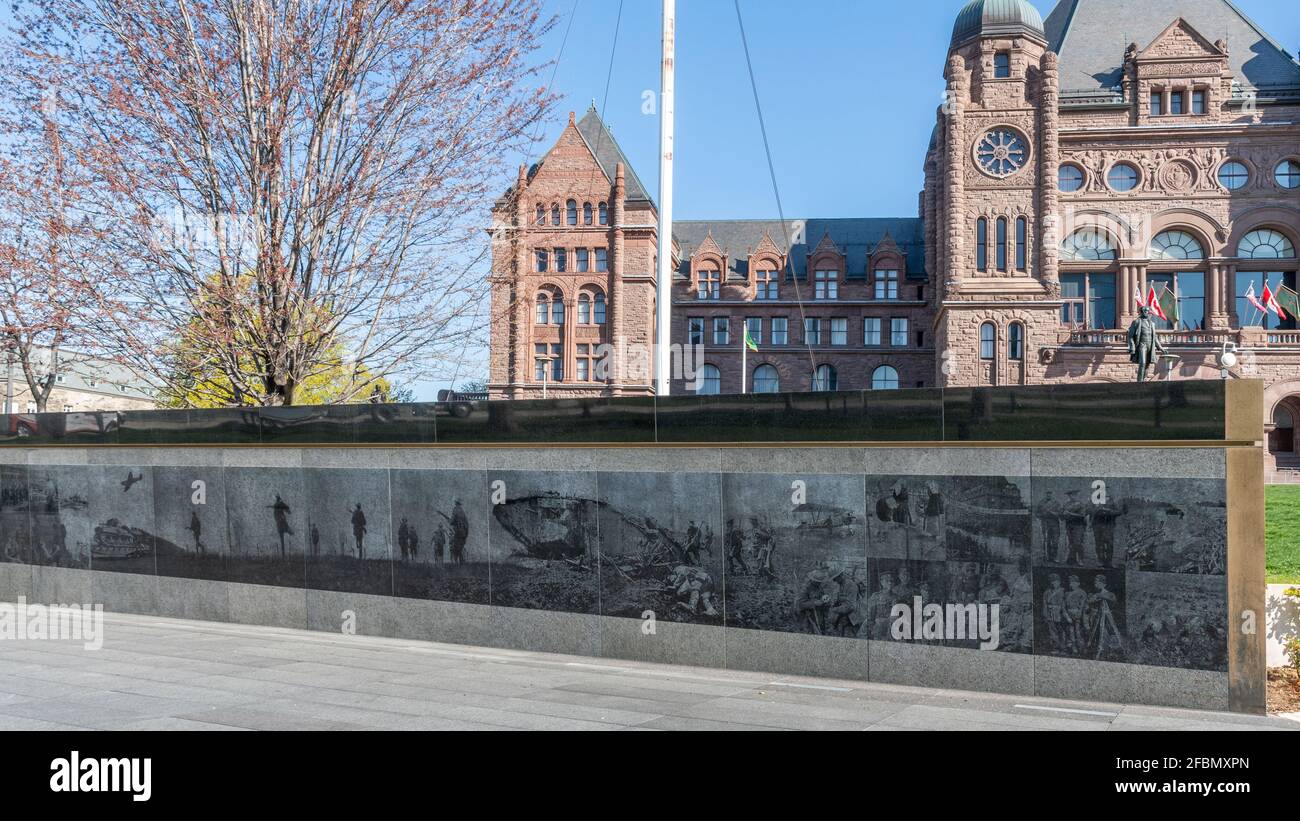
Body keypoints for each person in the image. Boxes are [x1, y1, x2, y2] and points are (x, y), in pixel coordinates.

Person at [1127, 305, 1168, 383]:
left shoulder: (1152, 324)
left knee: (1147, 365)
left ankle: (1144, 380)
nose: (1146, 312)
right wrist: (1132, 346)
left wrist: (1161, 348)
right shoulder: (1137, 322)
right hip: (1142, 344)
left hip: (1150, 346)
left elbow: (1155, 337)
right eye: (1144, 311)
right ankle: (1139, 382)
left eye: (1147, 311)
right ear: (1141, 312)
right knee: (1142, 363)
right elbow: (1130, 336)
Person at [795, 566, 835, 634]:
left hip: (819, 616)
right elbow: (800, 604)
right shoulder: (805, 589)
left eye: (820, 582)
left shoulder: (819, 588)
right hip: (808, 618)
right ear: (812, 580)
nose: (819, 583)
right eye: (817, 582)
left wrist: (826, 601)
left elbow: (822, 599)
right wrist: (814, 603)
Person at [826, 565, 864, 637]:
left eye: (835, 578)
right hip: (844, 616)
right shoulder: (841, 585)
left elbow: (850, 606)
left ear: (840, 576)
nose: (834, 581)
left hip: (853, 619)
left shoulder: (851, 585)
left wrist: (834, 609)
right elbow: (840, 599)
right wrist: (832, 602)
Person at [862, 571, 897, 640]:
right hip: (878, 630)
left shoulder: (896, 597)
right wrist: (872, 628)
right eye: (887, 581)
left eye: (891, 581)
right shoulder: (875, 596)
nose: (890, 583)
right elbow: (869, 614)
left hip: (891, 630)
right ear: (882, 582)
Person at [1091, 500, 1123, 568]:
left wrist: (1107, 511)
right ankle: (1100, 561)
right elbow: (1088, 510)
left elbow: (1119, 512)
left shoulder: (1112, 501)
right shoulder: (1093, 501)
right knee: (1099, 543)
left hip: (1108, 524)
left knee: (1109, 543)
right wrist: (1097, 510)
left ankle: (1109, 562)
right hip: (1097, 525)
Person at [1061, 491, 1090, 566]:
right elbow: (1062, 514)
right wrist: (1062, 515)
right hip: (1069, 525)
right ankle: (1071, 559)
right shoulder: (1066, 504)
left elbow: (1082, 515)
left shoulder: (1081, 504)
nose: (1072, 497)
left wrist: (1069, 513)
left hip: (1078, 525)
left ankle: (1080, 559)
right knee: (1070, 543)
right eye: (1070, 495)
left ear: (1077, 495)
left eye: (1073, 495)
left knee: (1078, 543)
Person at [1063, 574, 1088, 654]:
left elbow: (1082, 606)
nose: (1071, 585)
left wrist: (1078, 616)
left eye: (1073, 583)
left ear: (1078, 583)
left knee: (1078, 633)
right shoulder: (1066, 593)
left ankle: (1081, 648)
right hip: (1068, 616)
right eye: (1070, 583)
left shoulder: (1082, 593)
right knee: (1070, 633)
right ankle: (1073, 649)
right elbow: (1063, 606)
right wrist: (1067, 617)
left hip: (1078, 616)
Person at [1035, 491, 1063, 563]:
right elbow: (1036, 513)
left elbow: (1060, 514)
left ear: (1052, 494)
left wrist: (1052, 513)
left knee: (1055, 541)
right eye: (1047, 494)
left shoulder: (1056, 503)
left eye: (1050, 494)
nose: (1048, 495)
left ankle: (1054, 557)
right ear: (1045, 494)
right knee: (1046, 540)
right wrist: (1041, 515)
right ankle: (1046, 556)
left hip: (1054, 524)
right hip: (1045, 523)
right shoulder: (1041, 503)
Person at [1043, 573, 1068, 652]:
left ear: (1059, 582)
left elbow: (1065, 604)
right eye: (1052, 581)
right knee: (1052, 631)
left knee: (1062, 631)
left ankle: (1064, 647)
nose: (1053, 583)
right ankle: (1056, 647)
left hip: (1060, 613)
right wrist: (1045, 614)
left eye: (1055, 581)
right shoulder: (1047, 592)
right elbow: (1044, 604)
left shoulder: (1063, 591)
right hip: (1050, 614)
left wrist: (1065, 614)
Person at [270, 494, 293, 559]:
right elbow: (287, 510)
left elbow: (286, 510)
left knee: (281, 537)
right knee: (285, 530)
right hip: (281, 522)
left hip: (279, 523)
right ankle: (289, 531)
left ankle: (283, 555)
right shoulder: (279, 504)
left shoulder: (276, 505)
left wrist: (278, 519)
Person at [450, 499, 469, 564]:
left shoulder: (455, 510)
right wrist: (466, 534)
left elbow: (452, 521)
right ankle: (461, 563)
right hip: (464, 533)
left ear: (456, 503)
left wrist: (450, 521)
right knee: (461, 546)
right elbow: (466, 524)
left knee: (456, 546)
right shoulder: (462, 512)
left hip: (458, 532)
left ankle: (456, 563)